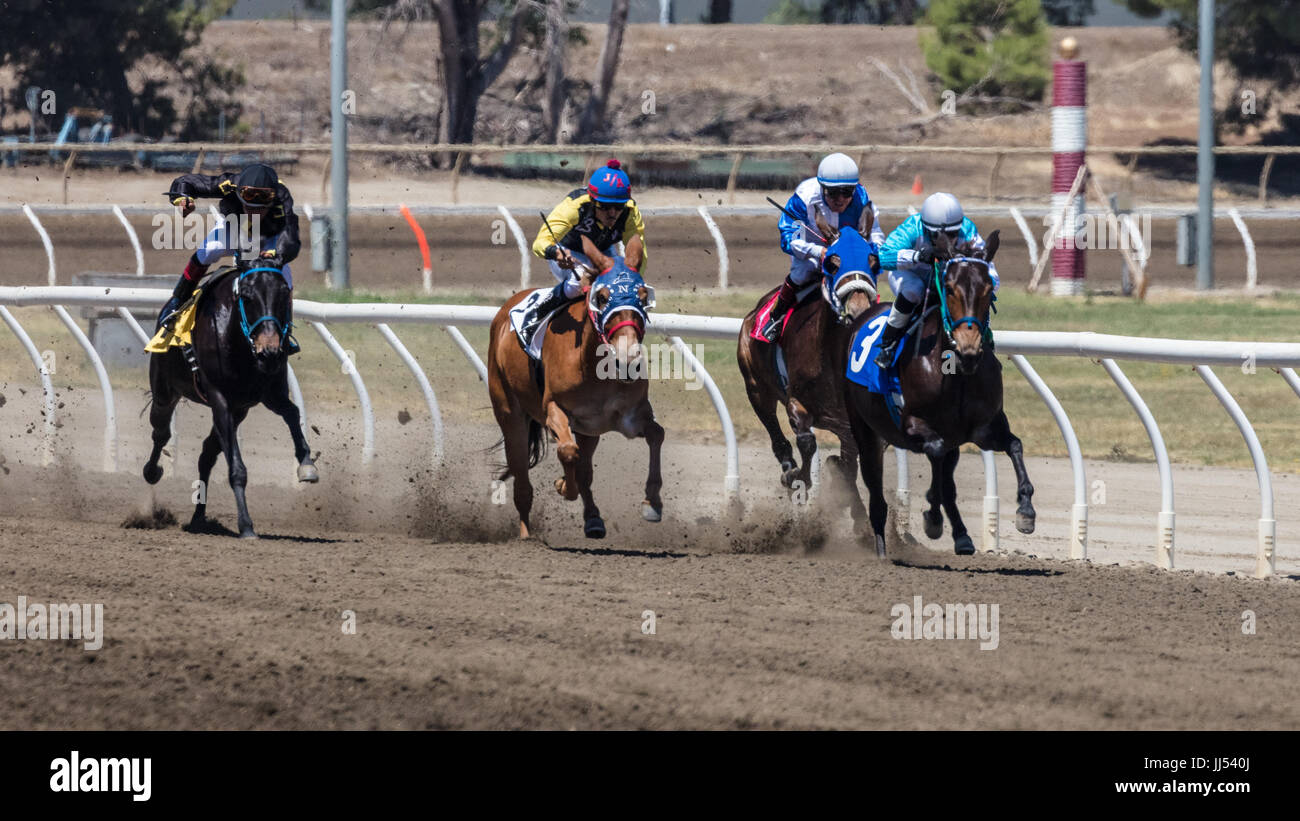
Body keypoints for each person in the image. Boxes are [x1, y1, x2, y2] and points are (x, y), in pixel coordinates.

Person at [759, 152, 884, 343]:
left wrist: (873, 252)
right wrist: (819, 251)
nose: (840, 199)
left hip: (845, 251)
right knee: (802, 271)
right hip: (811, 247)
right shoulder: (804, 197)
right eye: (833, 192)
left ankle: (872, 319)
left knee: (865, 273)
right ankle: (777, 316)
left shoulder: (861, 197)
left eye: (846, 192)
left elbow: (874, 232)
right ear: (822, 187)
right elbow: (788, 238)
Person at [520, 159, 647, 346]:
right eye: (604, 206)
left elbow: (638, 254)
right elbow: (540, 243)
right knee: (579, 280)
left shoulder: (629, 211)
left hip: (603, 251)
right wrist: (556, 253)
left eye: (617, 207)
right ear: (593, 200)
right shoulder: (576, 205)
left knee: (621, 285)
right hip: (568, 251)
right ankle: (539, 311)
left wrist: (633, 282)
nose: (612, 213)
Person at [157, 163, 300, 328]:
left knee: (285, 277)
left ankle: (286, 325)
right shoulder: (230, 183)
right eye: (249, 206)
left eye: (261, 208)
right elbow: (186, 182)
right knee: (209, 250)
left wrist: (279, 255)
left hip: (268, 233)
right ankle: (177, 301)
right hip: (235, 226)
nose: (254, 213)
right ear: (239, 193)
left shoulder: (282, 195)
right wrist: (183, 198)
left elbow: (291, 236)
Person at [874, 191, 1000, 369]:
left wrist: (983, 286)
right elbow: (883, 257)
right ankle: (888, 344)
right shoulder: (912, 228)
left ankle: (986, 343)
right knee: (914, 290)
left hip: (946, 279)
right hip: (911, 274)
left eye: (953, 234)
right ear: (926, 228)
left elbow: (991, 274)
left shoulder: (967, 229)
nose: (948, 241)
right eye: (939, 236)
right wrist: (917, 256)